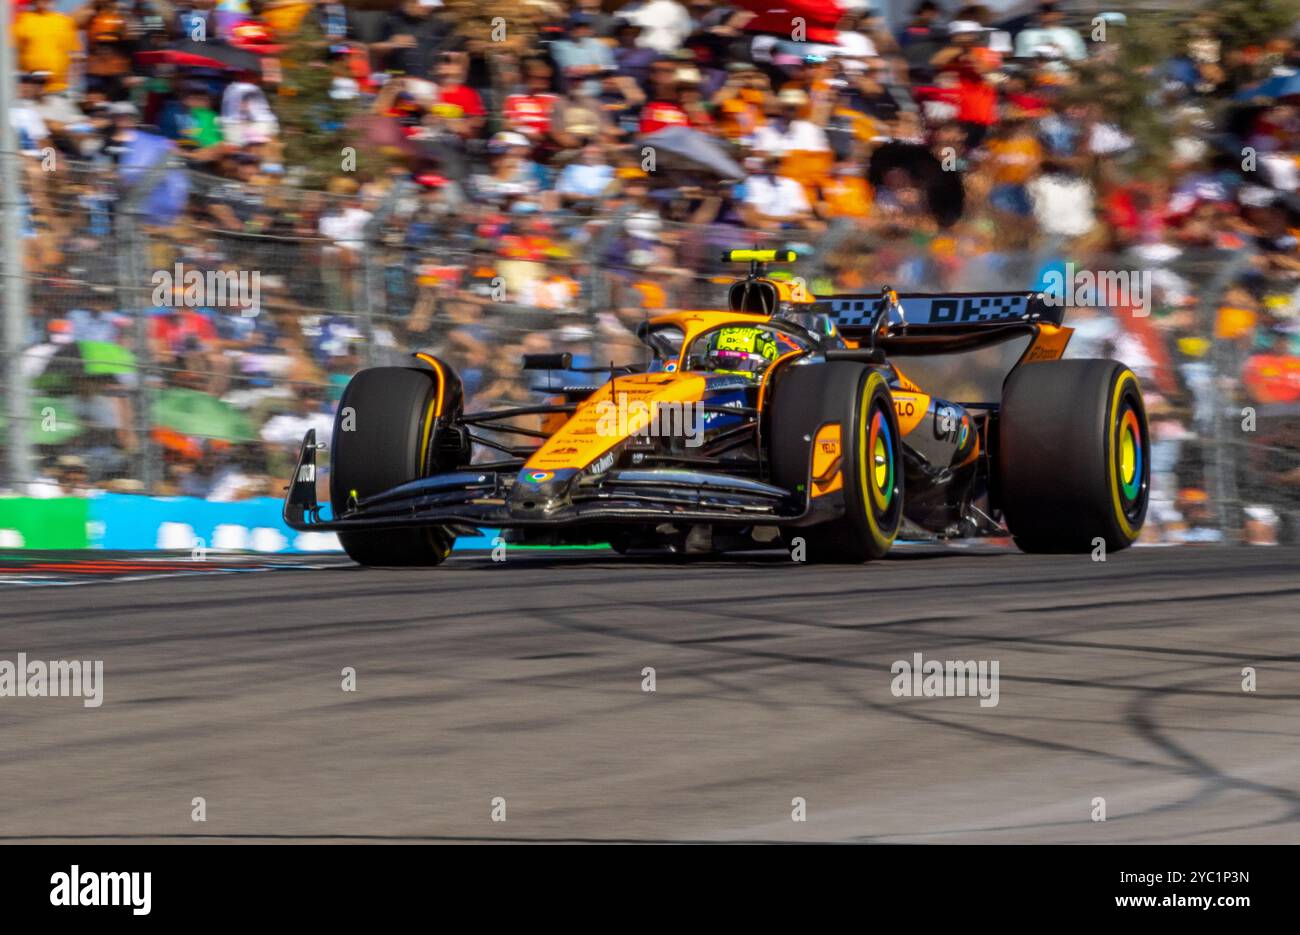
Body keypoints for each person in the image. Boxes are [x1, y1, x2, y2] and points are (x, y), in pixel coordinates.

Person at [12, 0, 82, 95]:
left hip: (59, 88)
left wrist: (74, 85)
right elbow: (8, 52)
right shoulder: (22, 20)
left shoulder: (65, 21)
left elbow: (76, 56)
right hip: (30, 88)